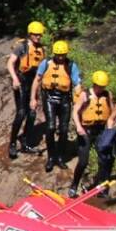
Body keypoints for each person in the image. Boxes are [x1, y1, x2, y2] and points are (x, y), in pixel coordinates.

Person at [31, 39, 81, 171]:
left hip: (64, 99)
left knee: (64, 129)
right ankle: (51, 157)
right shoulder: (46, 63)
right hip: (49, 99)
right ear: (54, 53)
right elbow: (37, 80)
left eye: (63, 55)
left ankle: (60, 157)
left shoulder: (71, 66)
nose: (60, 57)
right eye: (58, 55)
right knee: (51, 127)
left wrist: (78, 97)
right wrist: (33, 98)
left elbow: (77, 84)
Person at [70, 70, 115, 196]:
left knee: (104, 159)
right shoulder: (84, 95)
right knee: (83, 161)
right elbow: (75, 111)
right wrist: (78, 126)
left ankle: (102, 187)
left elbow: (112, 111)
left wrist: (112, 126)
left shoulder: (107, 95)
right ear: (94, 84)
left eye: (103, 86)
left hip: (101, 130)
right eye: (99, 86)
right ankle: (74, 185)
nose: (101, 88)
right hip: (86, 131)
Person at [7, 20, 47, 158]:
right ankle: (12, 143)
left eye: (40, 34)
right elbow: (10, 63)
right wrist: (15, 79)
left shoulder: (41, 49)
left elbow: (41, 71)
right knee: (21, 113)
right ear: (30, 34)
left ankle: (25, 143)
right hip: (21, 81)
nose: (38, 37)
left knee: (32, 113)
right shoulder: (21, 47)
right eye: (35, 34)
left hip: (33, 83)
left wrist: (37, 93)